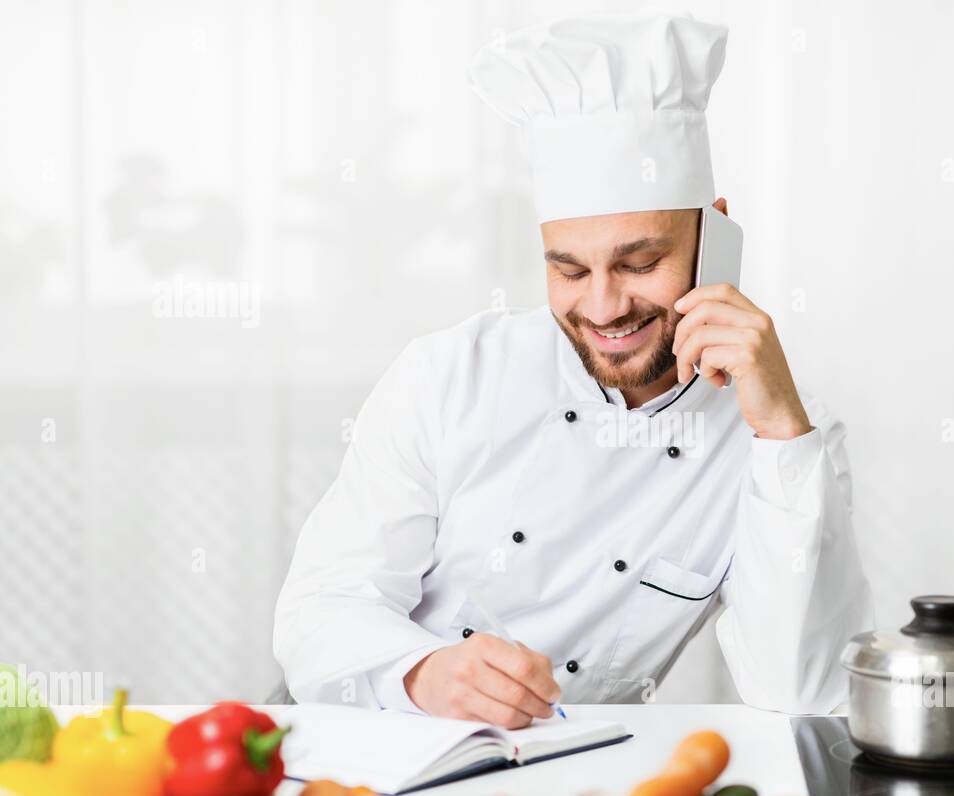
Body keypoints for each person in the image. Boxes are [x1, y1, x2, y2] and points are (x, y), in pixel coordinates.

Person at [273, 11, 872, 726]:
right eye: (568, 269)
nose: (604, 306)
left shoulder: (787, 435)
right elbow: (323, 607)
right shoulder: (447, 376)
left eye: (640, 262)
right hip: (366, 737)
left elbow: (803, 695)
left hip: (566, 779)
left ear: (715, 233)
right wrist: (422, 673)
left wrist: (779, 435)